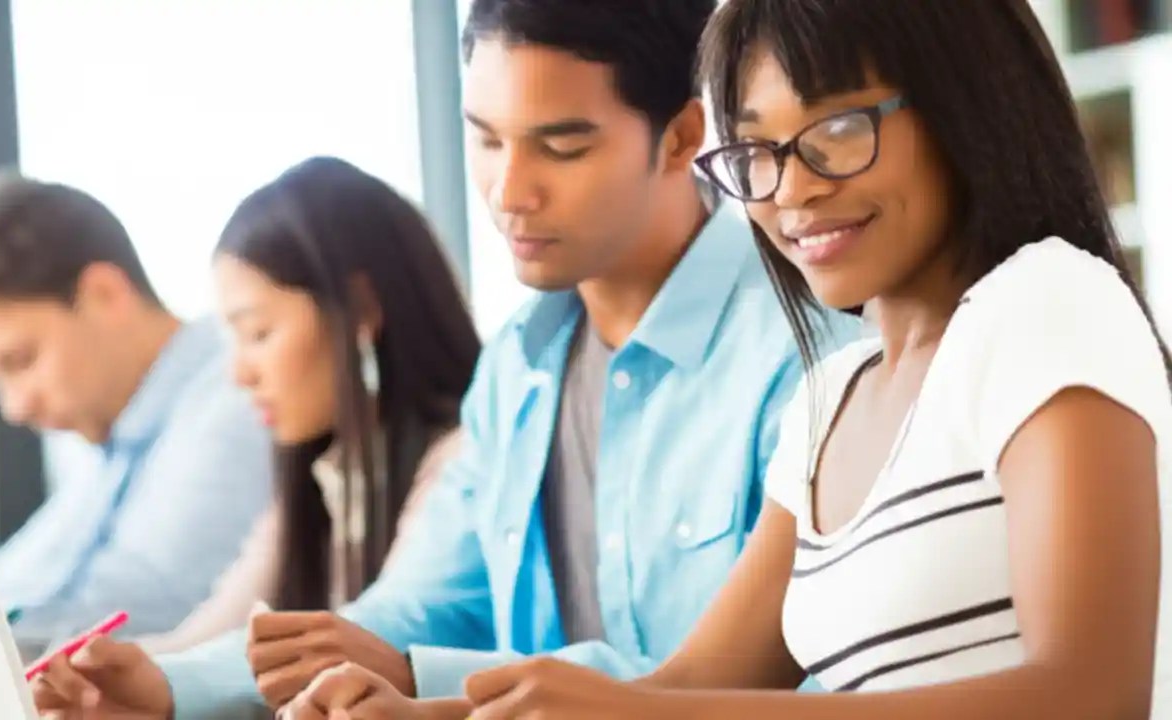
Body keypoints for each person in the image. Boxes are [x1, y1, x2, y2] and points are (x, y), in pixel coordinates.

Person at [318, 1, 1171, 719]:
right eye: (758, 152)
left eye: (838, 130)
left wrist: (642, 713)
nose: (792, 189)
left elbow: (1090, 697)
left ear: (965, 104)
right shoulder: (832, 397)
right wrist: (422, 714)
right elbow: (689, 685)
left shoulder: (1045, 305)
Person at [28, 2, 858, 718]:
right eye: (486, 140)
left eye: (560, 148)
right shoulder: (518, 366)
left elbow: (734, 682)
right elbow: (413, 610)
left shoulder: (808, 352)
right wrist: (172, 688)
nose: (509, 192)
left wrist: (415, 676)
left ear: (680, 138)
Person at [131, 157, 479, 655]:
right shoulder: (323, 481)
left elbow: (377, 641)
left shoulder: (461, 465)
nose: (239, 374)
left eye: (258, 333)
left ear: (361, 309)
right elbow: (200, 643)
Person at [0, 173, 273, 648]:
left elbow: (153, 605)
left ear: (105, 295)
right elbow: (4, 584)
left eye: (22, 361)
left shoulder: (237, 400)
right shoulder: (110, 449)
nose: (15, 407)